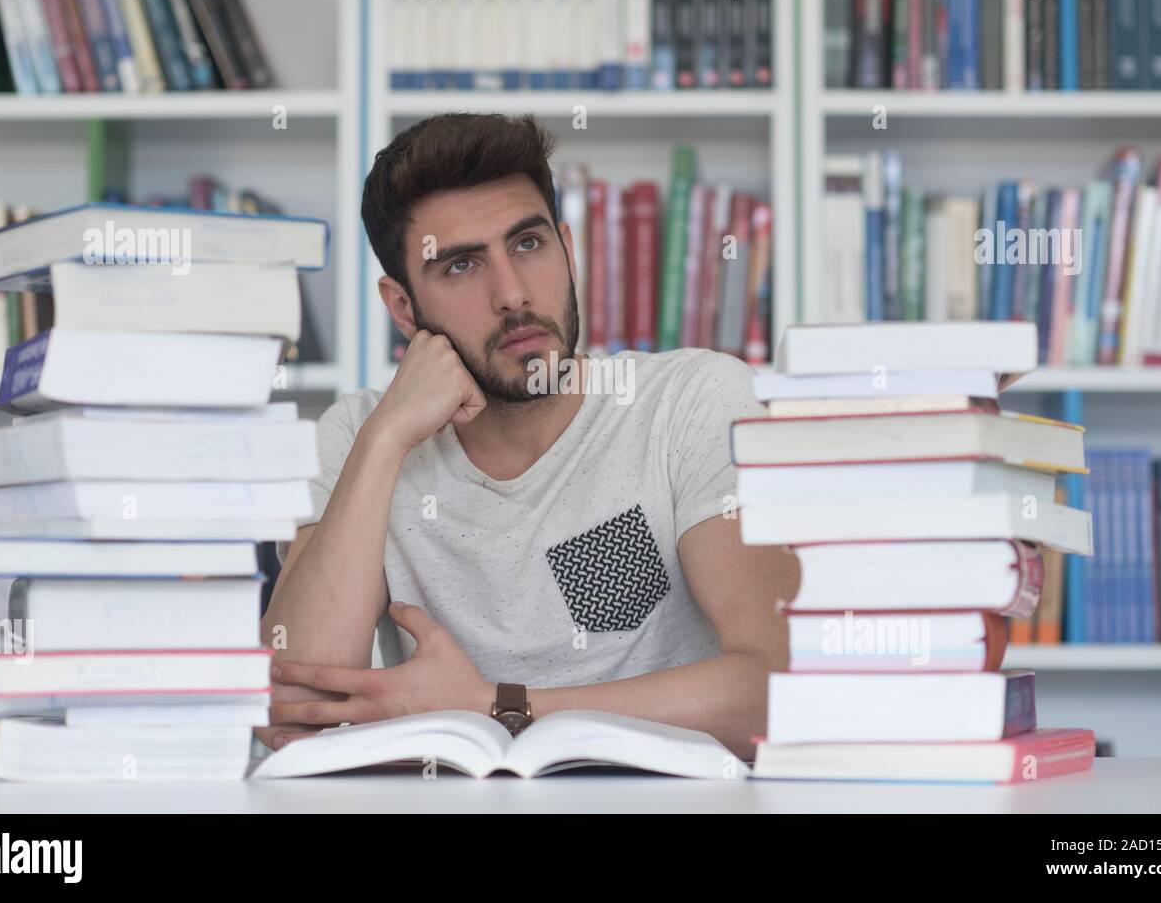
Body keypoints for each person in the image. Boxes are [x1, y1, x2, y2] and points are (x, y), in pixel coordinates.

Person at [258, 112, 799, 759]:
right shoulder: (361, 434)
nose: (512, 294)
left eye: (528, 244)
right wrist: (387, 438)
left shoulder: (693, 402)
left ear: (568, 250)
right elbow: (290, 712)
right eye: (460, 266)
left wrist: (498, 706)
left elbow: (778, 688)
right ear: (403, 308)